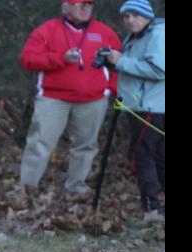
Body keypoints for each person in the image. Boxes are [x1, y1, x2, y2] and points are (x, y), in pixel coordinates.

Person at [17, 1, 119, 197]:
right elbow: (27, 60)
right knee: (40, 143)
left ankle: (76, 188)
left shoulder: (105, 33)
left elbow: (118, 64)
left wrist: (110, 89)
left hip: (93, 99)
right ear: (66, 7)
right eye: (79, 3)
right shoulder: (47, 30)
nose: (84, 8)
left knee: (86, 146)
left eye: (88, 4)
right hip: (53, 98)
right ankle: (26, 190)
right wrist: (60, 58)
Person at [109, 0, 164, 218]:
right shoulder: (136, 36)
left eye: (136, 15)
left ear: (148, 16)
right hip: (139, 105)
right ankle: (155, 206)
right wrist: (113, 62)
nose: (130, 20)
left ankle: (152, 208)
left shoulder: (158, 35)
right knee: (158, 156)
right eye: (126, 16)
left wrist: (121, 62)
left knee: (142, 156)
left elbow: (159, 70)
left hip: (151, 107)